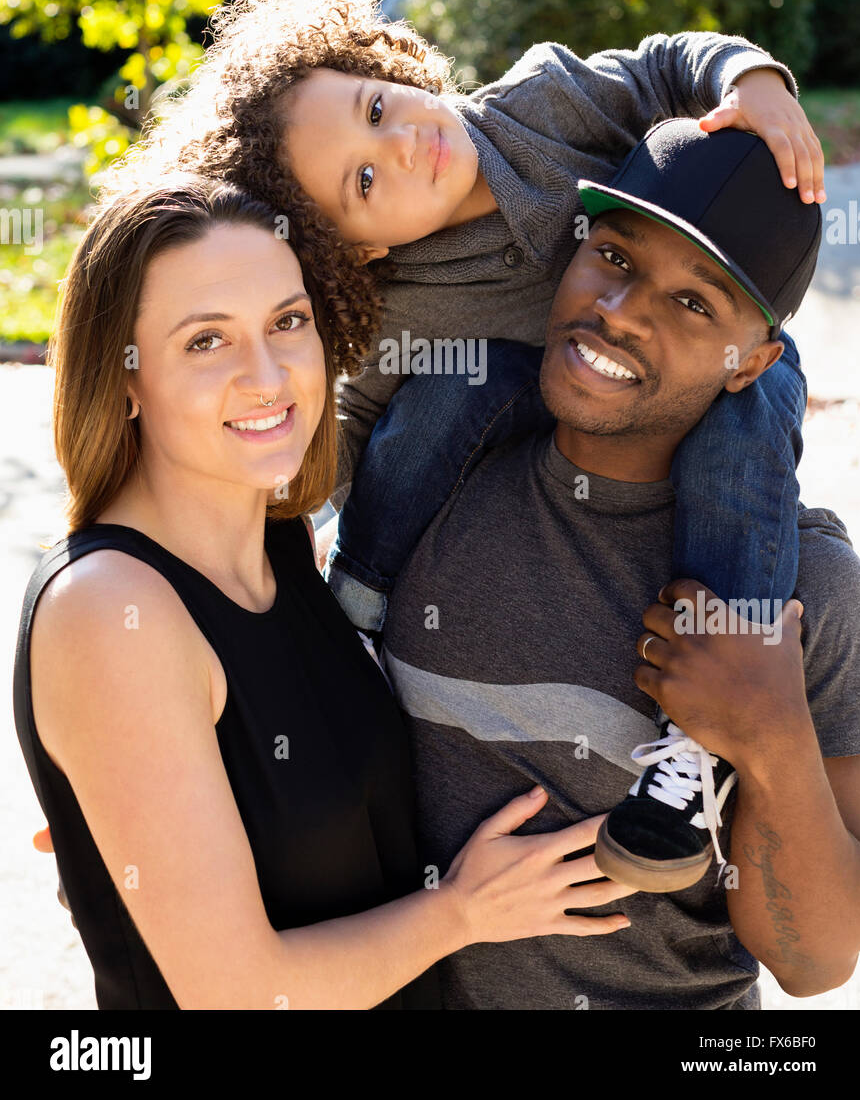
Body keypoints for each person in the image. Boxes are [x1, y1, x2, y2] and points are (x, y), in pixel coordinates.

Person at [114, 0, 823, 875]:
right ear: (353, 247)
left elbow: (665, 63)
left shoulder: (541, 103)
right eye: (364, 180)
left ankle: (700, 740)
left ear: (388, 67)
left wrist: (751, 83)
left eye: (376, 108)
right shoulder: (396, 306)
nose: (404, 146)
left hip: (690, 353)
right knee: (451, 385)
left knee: (748, 417)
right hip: (547, 383)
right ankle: (359, 610)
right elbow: (332, 437)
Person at [13, 172, 640, 1011]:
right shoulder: (110, 611)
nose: (268, 375)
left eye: (288, 321)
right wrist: (460, 913)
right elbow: (235, 995)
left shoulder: (286, 551)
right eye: (206, 341)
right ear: (124, 376)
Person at [378, 118, 860, 1010]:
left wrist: (770, 735)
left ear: (751, 363)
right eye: (615, 257)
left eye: (694, 305)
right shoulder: (435, 476)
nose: (622, 310)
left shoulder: (806, 591)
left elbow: (817, 962)